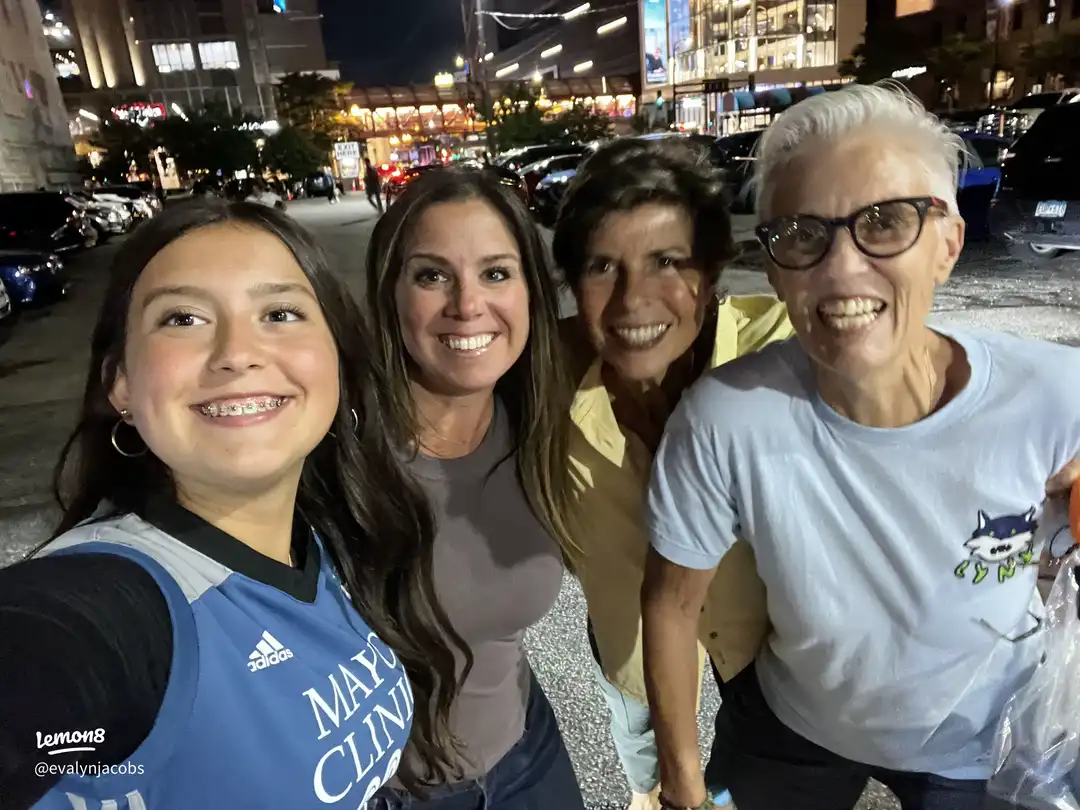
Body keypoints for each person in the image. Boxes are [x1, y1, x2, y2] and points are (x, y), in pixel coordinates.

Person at [641, 83, 1080, 810]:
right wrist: (682, 784)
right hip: (795, 726)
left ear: (948, 244)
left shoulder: (1055, 394)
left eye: (885, 222)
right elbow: (670, 603)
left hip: (981, 741)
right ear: (776, 269)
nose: (842, 269)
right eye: (803, 234)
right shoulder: (726, 417)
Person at [0, 199, 465, 809]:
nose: (236, 353)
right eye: (183, 319)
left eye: (279, 312)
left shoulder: (329, 537)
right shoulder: (118, 605)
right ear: (122, 385)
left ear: (338, 365)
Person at [552, 138, 793, 810]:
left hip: (766, 648)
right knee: (643, 759)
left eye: (667, 262)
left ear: (712, 272)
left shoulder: (784, 353)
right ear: (573, 284)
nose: (634, 299)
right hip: (628, 638)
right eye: (603, 266)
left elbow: (923, 384)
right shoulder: (539, 379)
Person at [362, 167, 585, 809]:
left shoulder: (543, 417)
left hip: (526, 754)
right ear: (391, 292)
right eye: (432, 275)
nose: (467, 304)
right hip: (392, 795)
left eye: (495, 273)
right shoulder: (337, 445)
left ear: (530, 291)